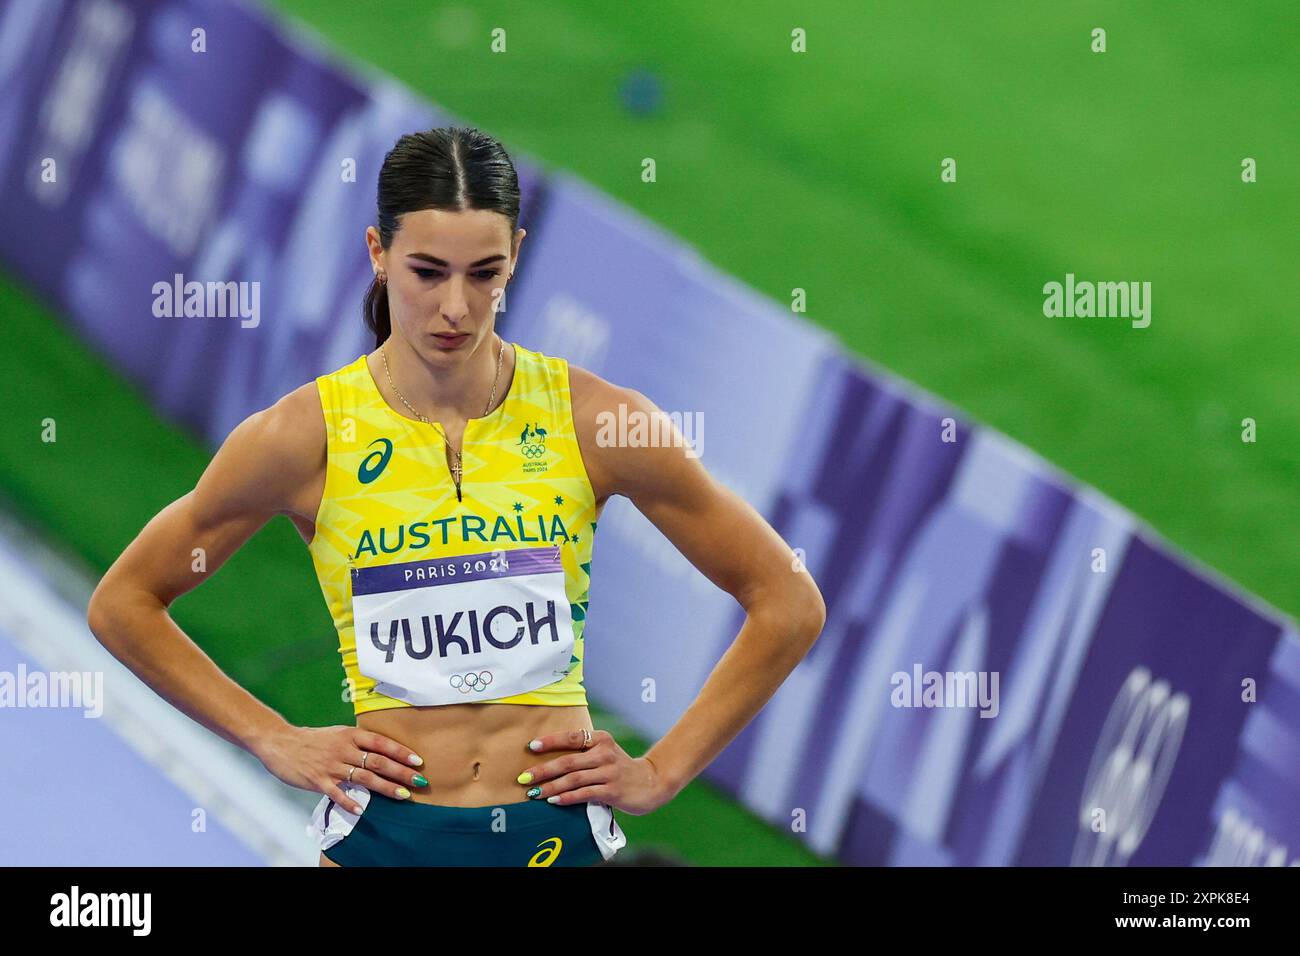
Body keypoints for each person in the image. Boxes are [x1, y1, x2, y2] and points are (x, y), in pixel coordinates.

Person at [86, 126, 827, 867]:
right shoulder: (300, 439)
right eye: (428, 272)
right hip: (385, 842)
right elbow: (125, 603)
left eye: (485, 274)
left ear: (515, 258)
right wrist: (269, 735)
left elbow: (787, 600)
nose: (456, 308)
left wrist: (662, 771)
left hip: (552, 838)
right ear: (377, 253)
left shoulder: (599, 423)